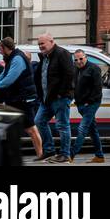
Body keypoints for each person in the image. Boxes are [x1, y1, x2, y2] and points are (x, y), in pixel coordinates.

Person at [0, 37, 43, 160]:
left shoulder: (17, 58)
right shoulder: (12, 57)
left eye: (0, 48)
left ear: (5, 48)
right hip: (16, 99)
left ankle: (40, 154)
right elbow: (4, 74)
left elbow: (9, 79)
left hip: (24, 99)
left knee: (31, 129)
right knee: (14, 128)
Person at [34, 33, 74, 163]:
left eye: (42, 43)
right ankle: (49, 150)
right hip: (46, 98)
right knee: (39, 120)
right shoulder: (45, 57)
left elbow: (69, 75)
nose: (40, 46)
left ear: (51, 42)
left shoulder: (63, 54)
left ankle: (65, 155)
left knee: (62, 125)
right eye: (39, 44)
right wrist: (41, 95)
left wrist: (61, 94)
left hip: (59, 98)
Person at [70, 50, 105, 163]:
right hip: (81, 104)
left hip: (91, 104)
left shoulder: (94, 68)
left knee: (82, 128)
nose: (79, 61)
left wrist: (89, 102)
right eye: (76, 60)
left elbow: (98, 89)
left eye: (81, 58)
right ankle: (99, 156)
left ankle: (70, 154)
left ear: (86, 57)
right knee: (92, 130)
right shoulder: (75, 69)